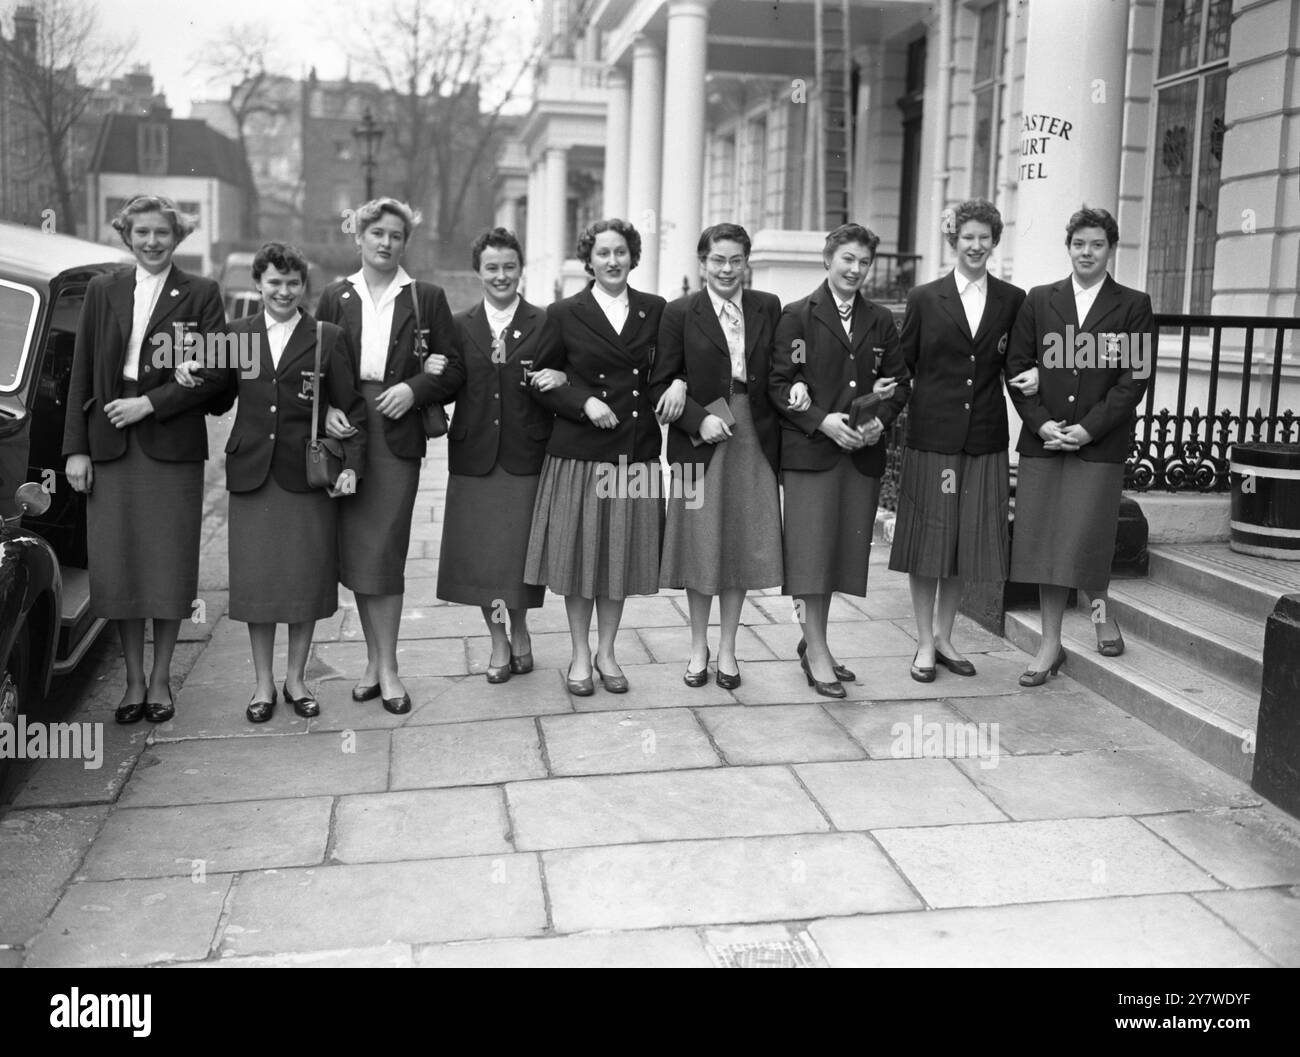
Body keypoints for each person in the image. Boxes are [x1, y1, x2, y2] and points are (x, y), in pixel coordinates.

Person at [177, 243, 366, 722]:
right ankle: (262, 685)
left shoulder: (327, 336)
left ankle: (297, 679)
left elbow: (353, 406)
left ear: (305, 286)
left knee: (303, 581)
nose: (283, 291)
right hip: (252, 474)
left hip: (306, 476)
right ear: (257, 284)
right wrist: (189, 373)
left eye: (292, 283)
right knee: (258, 587)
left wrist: (352, 465)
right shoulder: (236, 334)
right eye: (274, 282)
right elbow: (216, 396)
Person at [62, 194, 227, 724]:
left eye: (162, 232)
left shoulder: (202, 293)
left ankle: (160, 681)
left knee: (167, 565)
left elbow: (216, 374)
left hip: (170, 444)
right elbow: (82, 372)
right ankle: (132, 681)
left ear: (177, 237)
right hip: (109, 443)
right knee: (122, 566)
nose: (152, 242)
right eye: (142, 233)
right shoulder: (102, 290)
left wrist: (150, 403)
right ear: (126, 236)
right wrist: (76, 450)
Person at [316, 198, 464, 714]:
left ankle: (390, 666)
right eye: (376, 232)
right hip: (351, 430)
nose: (385, 242)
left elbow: (456, 369)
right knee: (358, 550)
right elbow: (310, 367)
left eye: (396, 235)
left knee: (386, 548)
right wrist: (327, 410)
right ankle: (372, 663)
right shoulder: (337, 296)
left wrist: (416, 389)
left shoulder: (424, 297)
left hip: (397, 433)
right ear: (357, 236)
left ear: (406, 242)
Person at [524, 218, 674, 695]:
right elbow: (536, 377)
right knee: (580, 558)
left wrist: (682, 383)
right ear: (588, 259)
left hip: (635, 454)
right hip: (580, 455)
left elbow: (669, 371)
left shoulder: (656, 310)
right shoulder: (564, 313)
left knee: (618, 559)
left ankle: (607, 652)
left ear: (633, 258)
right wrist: (581, 400)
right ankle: (578, 655)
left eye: (621, 252)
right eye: (603, 253)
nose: (613, 261)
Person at [1006, 206, 1154, 685]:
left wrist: (1089, 428)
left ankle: (1098, 613)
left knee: (1086, 537)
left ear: (1110, 250)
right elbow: (1017, 367)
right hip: (1044, 444)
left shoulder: (1133, 304)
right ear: (1067, 247)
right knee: (1047, 543)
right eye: (1078, 244)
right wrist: (1042, 424)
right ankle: (1050, 643)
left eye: (1096, 244)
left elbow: (1134, 379)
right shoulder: (1040, 299)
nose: (1086, 252)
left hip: (1098, 444)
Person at [889, 200, 1030, 682]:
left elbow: (1017, 365)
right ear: (954, 241)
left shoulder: (1013, 300)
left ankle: (946, 637)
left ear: (995, 242)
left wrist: (1035, 385)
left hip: (985, 437)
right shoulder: (926, 298)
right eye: (967, 237)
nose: (975, 246)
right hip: (935, 439)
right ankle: (924, 643)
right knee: (931, 542)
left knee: (963, 545)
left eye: (984, 237)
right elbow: (901, 365)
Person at [769, 223, 911, 698]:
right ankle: (817, 652)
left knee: (836, 556)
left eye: (864, 262)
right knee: (811, 556)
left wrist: (880, 422)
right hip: (813, 455)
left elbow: (899, 383)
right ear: (827, 260)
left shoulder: (881, 319)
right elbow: (779, 383)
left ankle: (815, 644)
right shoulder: (797, 317)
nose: (855, 269)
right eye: (847, 259)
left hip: (860, 456)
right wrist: (819, 420)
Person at [650, 223, 794, 689]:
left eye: (735, 260)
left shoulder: (766, 306)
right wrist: (695, 417)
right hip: (700, 440)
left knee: (738, 541)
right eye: (718, 260)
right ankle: (697, 648)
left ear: (746, 262)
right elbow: (660, 381)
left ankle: (729, 650)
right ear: (702, 263)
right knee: (699, 543)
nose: (726, 269)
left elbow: (781, 367)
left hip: (753, 432)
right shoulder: (679, 312)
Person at [437, 228, 566, 682]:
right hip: (474, 456)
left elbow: (563, 371)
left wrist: (560, 377)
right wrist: (429, 368)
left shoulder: (544, 321)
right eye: (492, 267)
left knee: (517, 555)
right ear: (478, 271)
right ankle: (496, 641)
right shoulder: (458, 324)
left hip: (524, 453)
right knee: (482, 558)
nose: (501, 275)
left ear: (521, 269)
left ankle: (522, 627)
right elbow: (450, 381)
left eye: (509, 266)